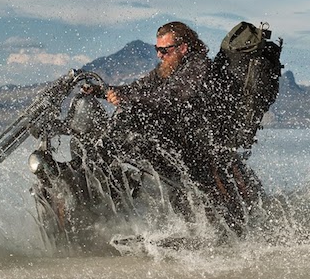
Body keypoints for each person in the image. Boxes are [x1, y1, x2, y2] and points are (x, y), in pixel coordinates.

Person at [99, 21, 258, 230]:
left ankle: (217, 228)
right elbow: (137, 88)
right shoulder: (165, 70)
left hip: (203, 145)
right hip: (183, 139)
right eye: (157, 49)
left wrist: (132, 100)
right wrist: (100, 91)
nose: (159, 55)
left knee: (209, 196)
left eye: (164, 50)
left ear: (183, 48)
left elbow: (172, 96)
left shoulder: (199, 66)